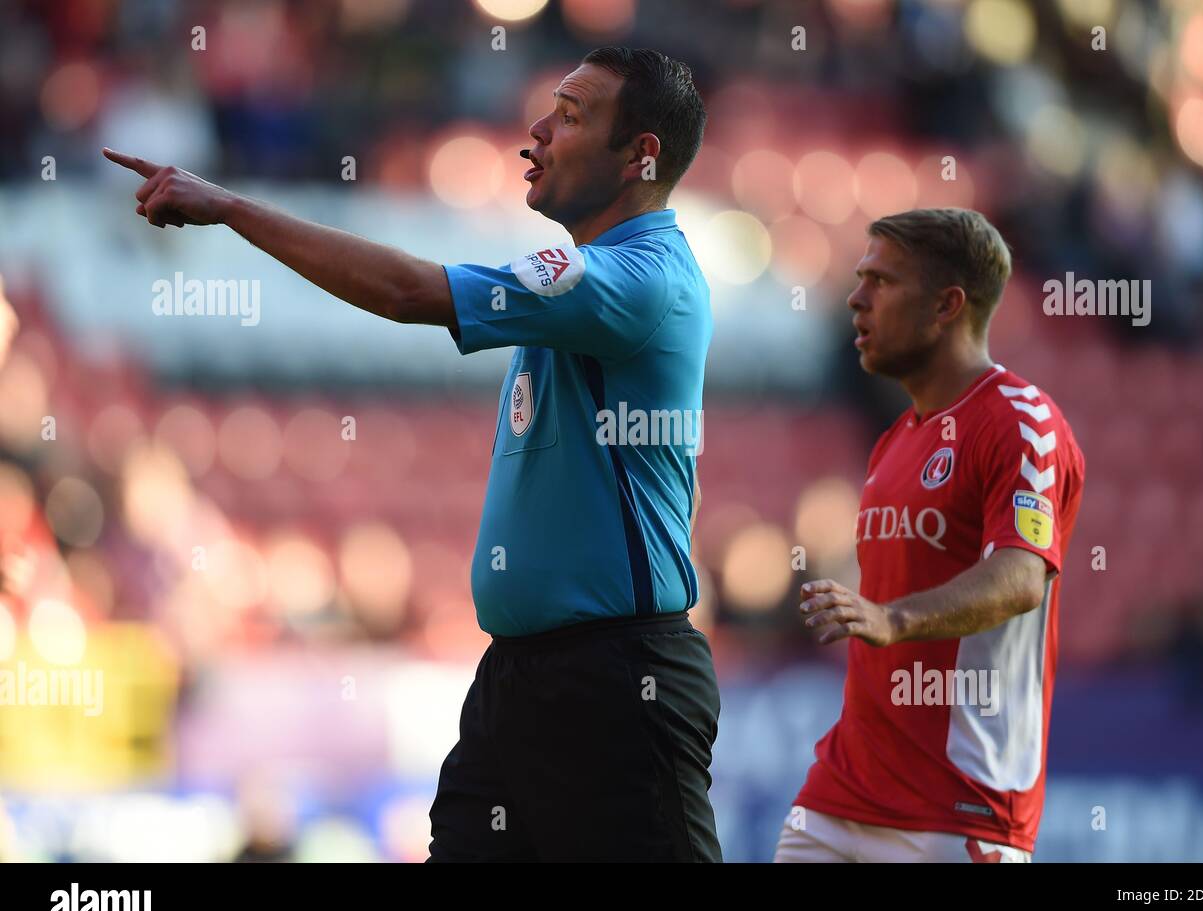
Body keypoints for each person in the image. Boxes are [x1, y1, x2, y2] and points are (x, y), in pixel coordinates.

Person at [104, 47, 721, 863]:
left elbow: (407, 294)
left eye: (571, 116)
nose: (536, 131)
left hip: (620, 682)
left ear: (642, 154)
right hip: (520, 684)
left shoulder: (639, 282)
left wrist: (229, 208)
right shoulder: (585, 279)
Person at [777, 208, 1085, 863]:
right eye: (860, 278)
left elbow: (1023, 573)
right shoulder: (895, 438)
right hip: (841, 794)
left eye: (882, 282)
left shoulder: (1020, 420)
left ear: (948, 305)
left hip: (956, 811)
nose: (857, 299)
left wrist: (892, 617)